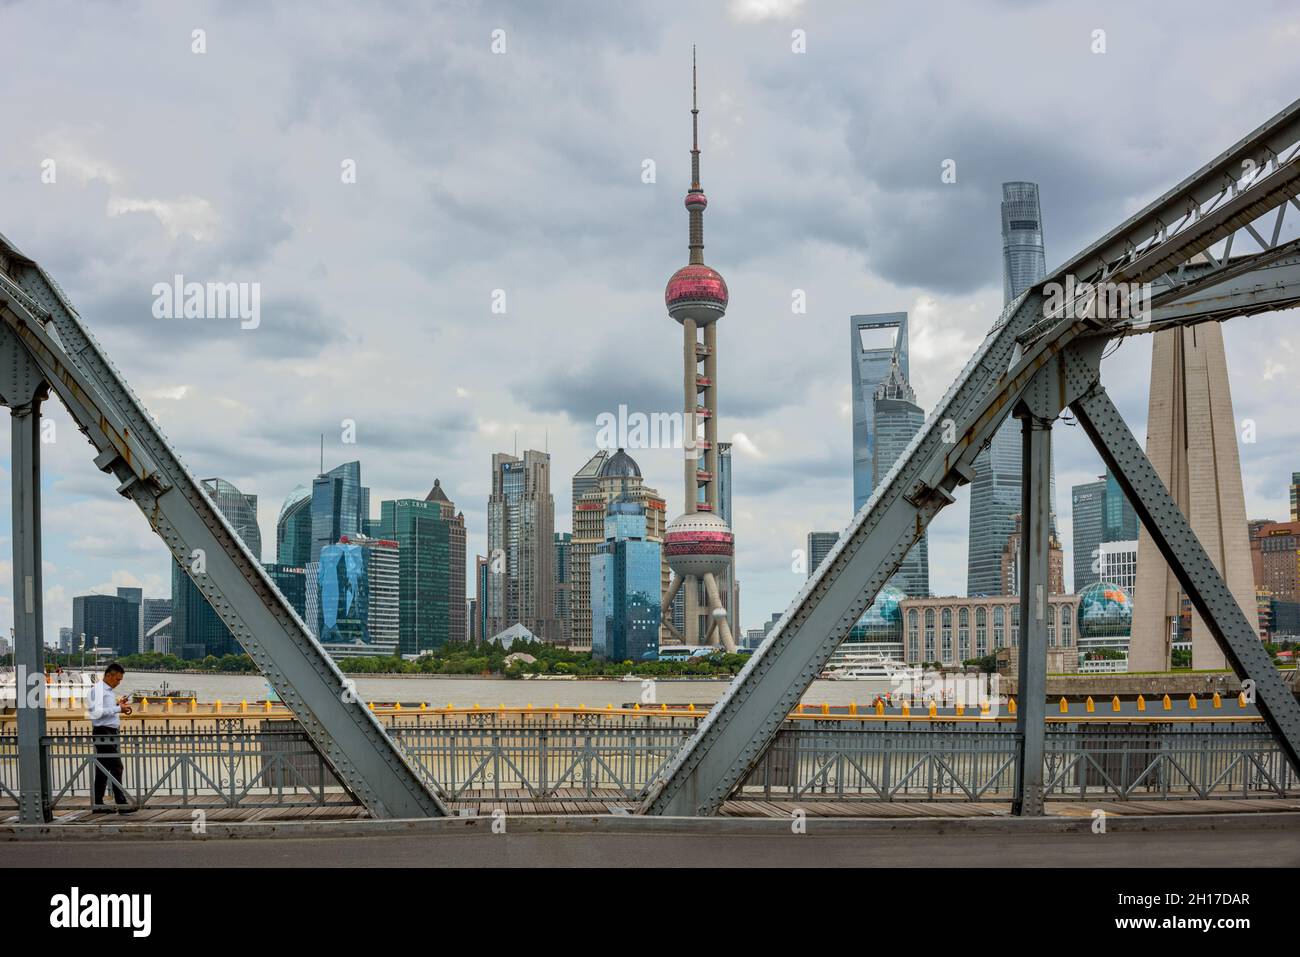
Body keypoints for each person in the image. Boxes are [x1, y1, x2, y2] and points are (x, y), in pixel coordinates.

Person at [87, 662, 136, 814]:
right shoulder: (98, 690)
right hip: (103, 732)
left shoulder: (106, 691)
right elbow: (95, 712)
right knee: (116, 766)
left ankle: (99, 803)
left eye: (120, 680)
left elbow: (104, 709)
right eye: (117, 679)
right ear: (108, 675)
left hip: (109, 732)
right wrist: (118, 708)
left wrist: (118, 705)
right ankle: (120, 803)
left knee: (102, 768)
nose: (118, 682)